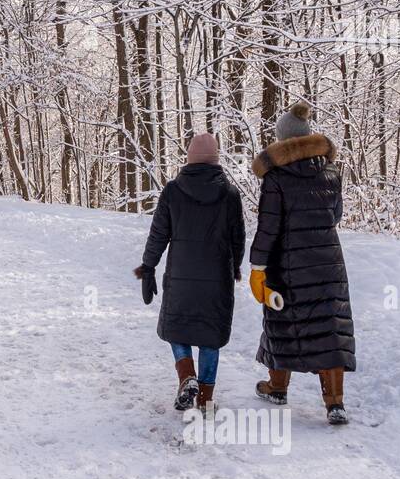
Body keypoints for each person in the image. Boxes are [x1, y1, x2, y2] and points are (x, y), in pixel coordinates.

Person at [248, 103, 355, 425]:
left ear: (281, 141)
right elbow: (335, 216)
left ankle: (277, 387)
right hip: (328, 261)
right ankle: (334, 402)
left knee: (283, 321)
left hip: (288, 262)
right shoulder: (331, 172)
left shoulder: (276, 177)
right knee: (330, 325)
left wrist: (257, 266)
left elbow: (269, 227)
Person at [134, 133, 245, 413]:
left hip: (181, 275)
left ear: (189, 158)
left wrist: (148, 267)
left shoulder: (173, 191)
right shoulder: (230, 195)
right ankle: (205, 400)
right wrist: (234, 266)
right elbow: (238, 238)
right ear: (216, 159)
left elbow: (158, 234)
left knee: (177, 327)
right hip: (217, 276)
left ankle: (187, 377)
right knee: (211, 334)